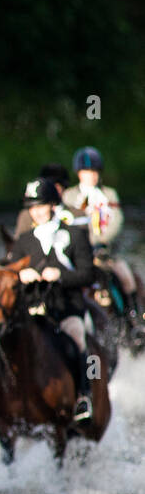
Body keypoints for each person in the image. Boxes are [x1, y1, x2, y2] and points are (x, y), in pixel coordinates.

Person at [0, 178, 95, 423]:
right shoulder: (24, 240)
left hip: (64, 308)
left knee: (79, 337)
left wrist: (60, 275)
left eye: (41, 206)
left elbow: (88, 274)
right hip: (30, 310)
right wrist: (19, 274)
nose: (36, 212)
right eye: (32, 207)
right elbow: (8, 272)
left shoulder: (75, 235)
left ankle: (84, 395)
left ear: (52, 205)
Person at [62, 146, 143, 345]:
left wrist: (99, 240)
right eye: (86, 172)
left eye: (94, 172)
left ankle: (133, 319)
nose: (91, 176)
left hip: (104, 253)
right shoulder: (69, 197)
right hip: (77, 253)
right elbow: (65, 222)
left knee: (126, 277)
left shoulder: (109, 195)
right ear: (79, 173)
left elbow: (116, 221)